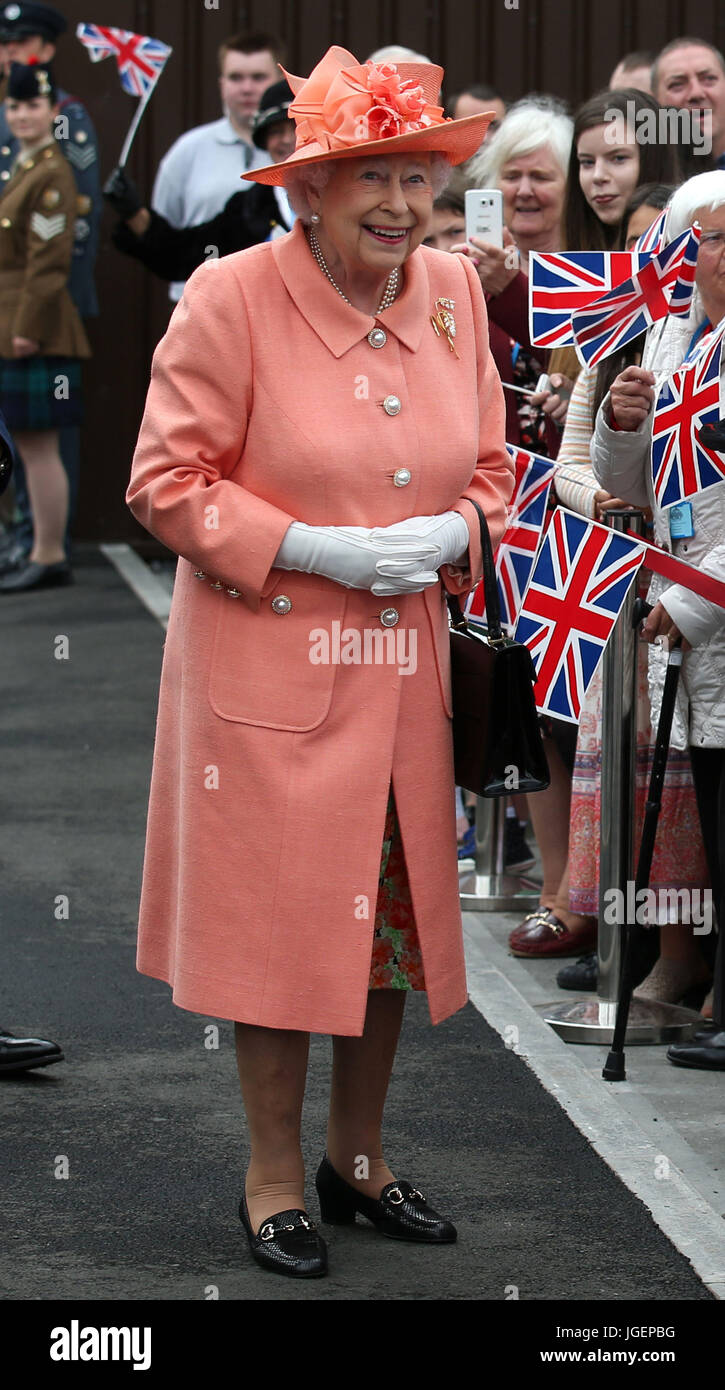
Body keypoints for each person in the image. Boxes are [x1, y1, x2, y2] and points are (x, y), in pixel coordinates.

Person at [126, 45, 513, 1279]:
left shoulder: (452, 289)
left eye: (416, 177)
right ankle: (273, 1178)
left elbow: (498, 473)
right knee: (284, 934)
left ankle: (358, 1159)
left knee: (386, 929)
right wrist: (310, 547)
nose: (401, 204)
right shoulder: (230, 296)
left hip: (403, 683)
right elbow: (163, 481)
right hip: (269, 681)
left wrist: (453, 533)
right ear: (306, 193)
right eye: (371, 181)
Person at [538, 186, 710, 1003]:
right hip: (631, 583)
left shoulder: (692, 344)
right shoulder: (620, 337)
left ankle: (686, 959)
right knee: (635, 775)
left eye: (679, 247)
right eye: (654, 250)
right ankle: (629, 938)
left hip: (688, 582)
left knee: (684, 780)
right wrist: (600, 482)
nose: (663, 268)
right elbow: (579, 459)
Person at [590, 170, 725, 1068]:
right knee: (717, 829)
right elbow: (635, 491)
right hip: (697, 642)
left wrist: (687, 601)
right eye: (713, 237)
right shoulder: (674, 342)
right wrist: (621, 425)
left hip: (702, 614)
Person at [0, 1, 100, 574]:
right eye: (9, 43)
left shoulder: (66, 121)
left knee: (45, 437)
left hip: (46, 308)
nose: (15, 52)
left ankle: (45, 546)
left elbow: (70, 228)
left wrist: (42, 313)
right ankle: (24, 539)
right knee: (22, 433)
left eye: (26, 42)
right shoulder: (19, 136)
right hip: (18, 310)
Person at [104, 80, 296, 282]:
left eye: (296, 127)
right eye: (276, 131)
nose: (287, 139)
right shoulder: (252, 207)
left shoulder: (332, 196)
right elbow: (188, 257)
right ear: (264, 141)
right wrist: (135, 214)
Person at [151, 31, 282, 302]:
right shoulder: (188, 150)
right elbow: (164, 234)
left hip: (274, 305)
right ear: (221, 84)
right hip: (199, 306)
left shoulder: (300, 150)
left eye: (258, 77)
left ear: (280, 80)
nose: (247, 88)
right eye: (236, 77)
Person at [651, 37, 725, 170]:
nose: (696, 94)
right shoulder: (643, 176)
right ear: (654, 101)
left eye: (709, 79)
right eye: (677, 84)